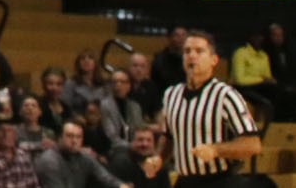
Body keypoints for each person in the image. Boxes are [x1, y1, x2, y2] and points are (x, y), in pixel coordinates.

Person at [162, 32, 262, 188]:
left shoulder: (226, 95)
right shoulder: (171, 95)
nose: (192, 56)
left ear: (213, 60)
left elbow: (253, 144)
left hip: (219, 181)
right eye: (187, 51)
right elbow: (168, 137)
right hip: (184, 181)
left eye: (199, 51)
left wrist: (216, 150)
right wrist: (158, 158)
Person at [32, 122, 121, 188]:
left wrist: (122, 186)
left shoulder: (85, 157)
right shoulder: (49, 160)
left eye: (78, 137)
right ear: (59, 138)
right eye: (70, 136)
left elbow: (106, 178)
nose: (74, 141)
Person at [0, 117, 40, 188]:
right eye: (2, 131)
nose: (6, 135)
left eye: (10, 131)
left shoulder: (22, 155)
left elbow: (34, 184)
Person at [96, 72, 145, 146]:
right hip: (114, 148)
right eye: (115, 82)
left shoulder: (135, 106)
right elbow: (111, 136)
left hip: (135, 146)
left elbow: (139, 130)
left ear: (129, 86)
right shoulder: (104, 105)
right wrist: (131, 146)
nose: (118, 85)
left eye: (122, 82)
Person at [147, 30, 186, 107]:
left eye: (183, 35)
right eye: (177, 35)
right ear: (170, 38)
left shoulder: (190, 60)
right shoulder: (159, 60)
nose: (181, 38)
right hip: (164, 102)